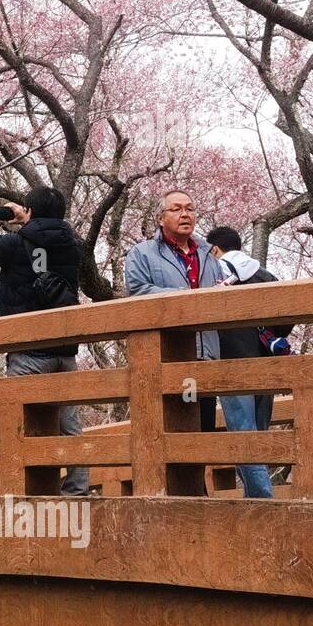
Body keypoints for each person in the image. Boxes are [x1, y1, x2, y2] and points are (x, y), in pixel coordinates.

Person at [0, 186, 89, 496]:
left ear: (30, 212)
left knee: (16, 423)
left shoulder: (18, 245)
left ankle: (25, 492)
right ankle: (77, 490)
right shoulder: (72, 244)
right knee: (68, 424)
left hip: (29, 352)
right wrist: (28, 220)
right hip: (64, 349)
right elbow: (44, 246)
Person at [125, 189, 226, 442]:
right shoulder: (142, 253)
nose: (185, 215)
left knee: (202, 434)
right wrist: (184, 296)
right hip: (164, 356)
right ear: (160, 218)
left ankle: (197, 483)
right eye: (177, 209)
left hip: (204, 353)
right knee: (169, 434)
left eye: (190, 209)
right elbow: (138, 292)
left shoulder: (208, 253)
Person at [206, 226, 292, 498]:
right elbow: (286, 321)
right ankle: (255, 497)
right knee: (259, 436)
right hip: (266, 367)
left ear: (215, 249)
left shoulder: (217, 272)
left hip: (233, 365)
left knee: (243, 435)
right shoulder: (265, 274)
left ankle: (263, 500)